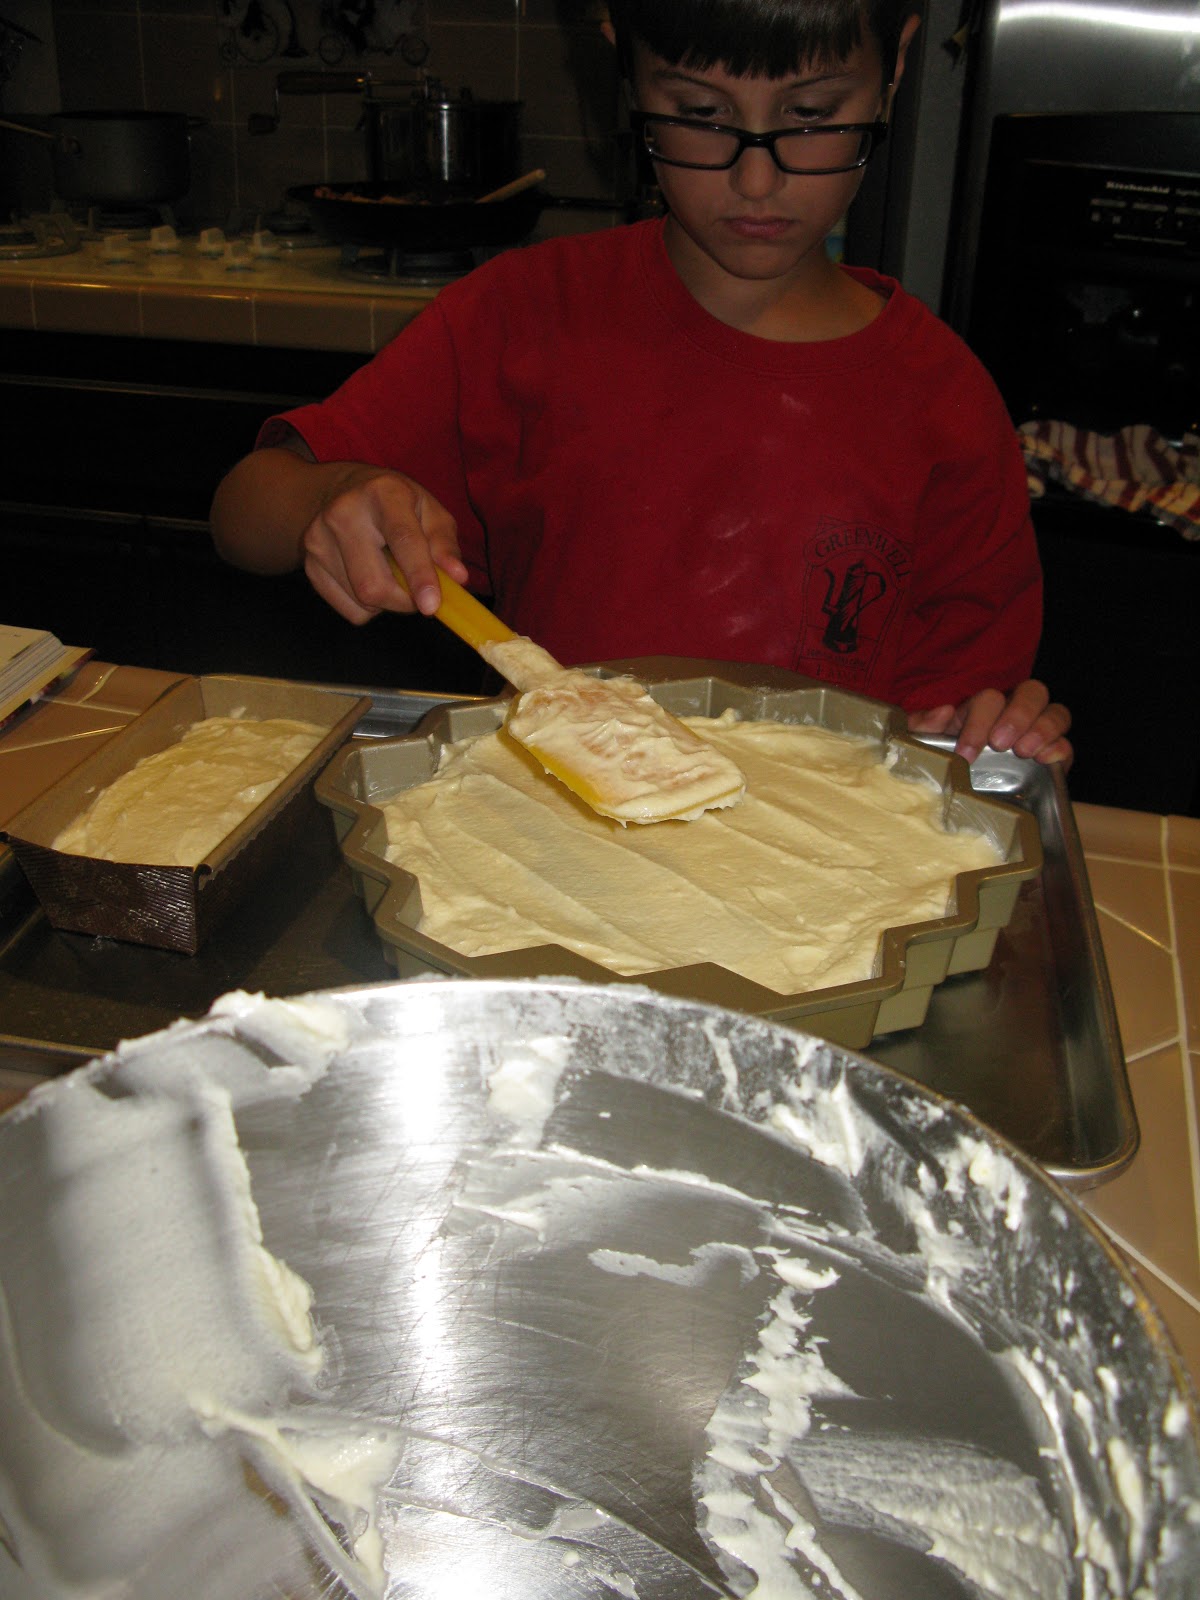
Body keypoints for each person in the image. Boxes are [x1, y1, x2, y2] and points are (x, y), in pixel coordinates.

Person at [210, 0, 1072, 767]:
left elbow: (961, 733)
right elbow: (247, 509)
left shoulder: (945, 401)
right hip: (545, 852)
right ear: (623, 60)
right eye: (699, 113)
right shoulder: (523, 318)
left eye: (812, 114)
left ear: (894, 69)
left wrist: (1000, 739)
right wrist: (341, 496)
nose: (757, 179)